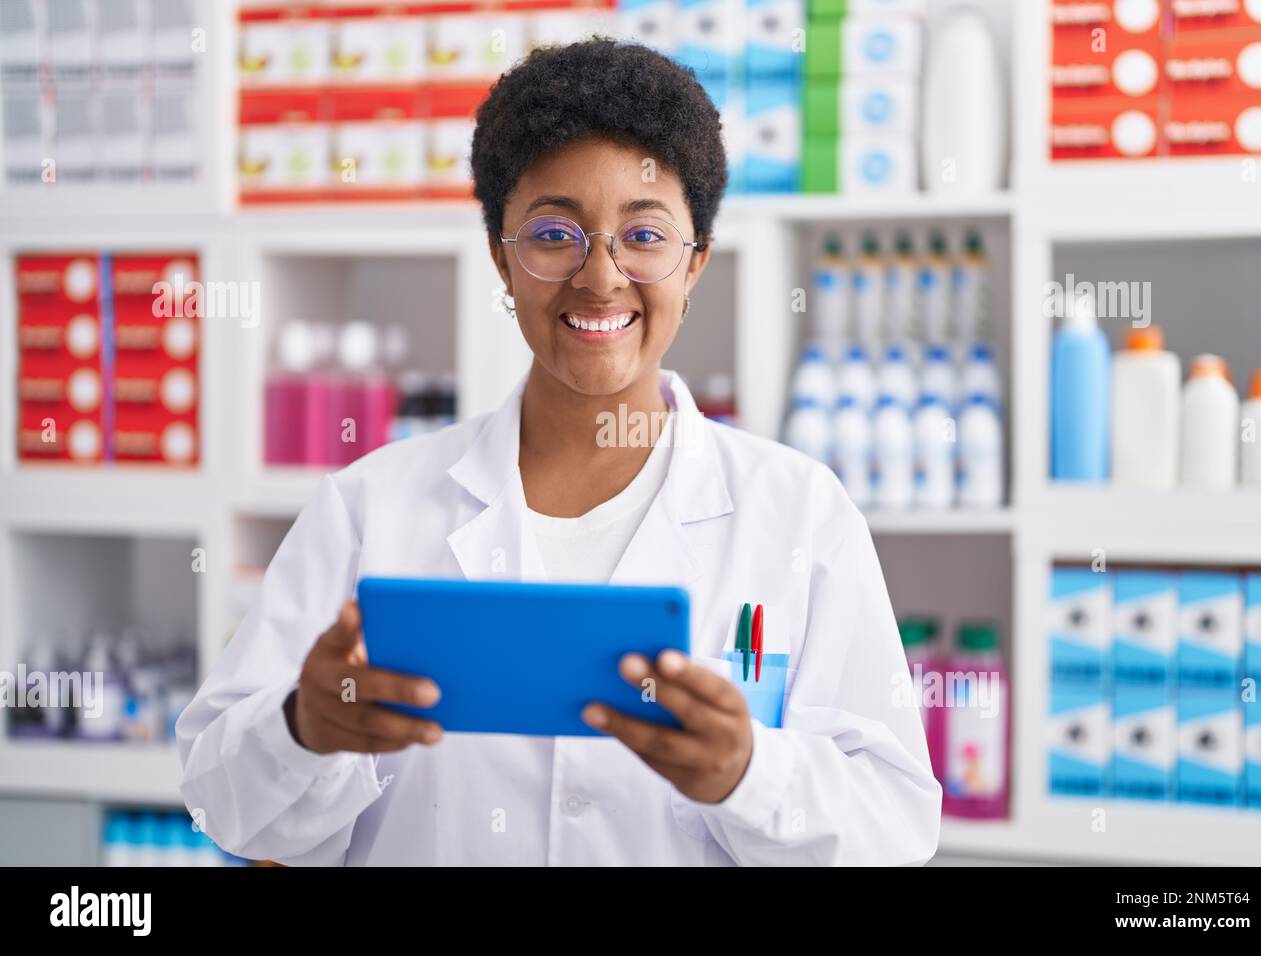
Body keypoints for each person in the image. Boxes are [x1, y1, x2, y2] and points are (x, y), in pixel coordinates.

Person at [177, 38, 941, 866]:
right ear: (503, 259)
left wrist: (748, 773)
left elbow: (895, 826)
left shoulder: (799, 511)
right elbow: (222, 801)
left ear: (695, 266)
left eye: (644, 235)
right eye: (553, 233)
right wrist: (305, 729)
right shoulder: (370, 507)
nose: (600, 277)